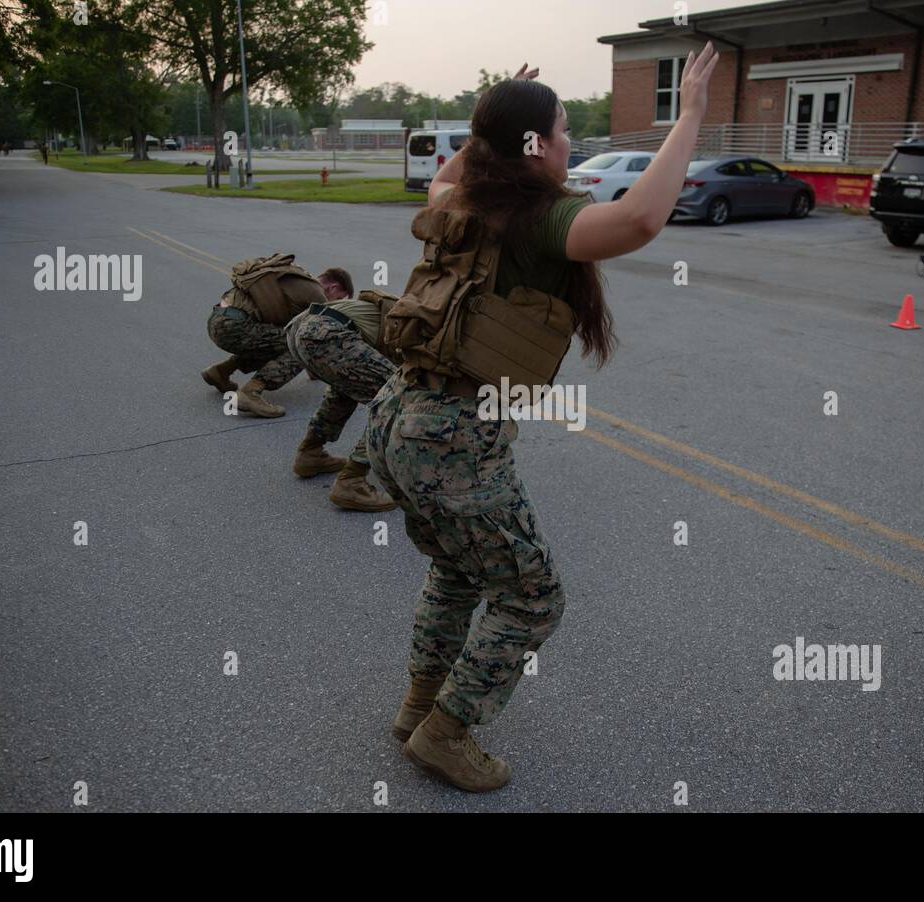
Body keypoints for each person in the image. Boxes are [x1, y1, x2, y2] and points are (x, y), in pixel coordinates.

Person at [365, 44, 720, 792]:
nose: (569, 142)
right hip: (454, 436)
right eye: (561, 129)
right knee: (532, 596)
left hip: (398, 418)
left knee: (458, 571)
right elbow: (641, 220)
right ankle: (447, 732)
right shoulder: (538, 218)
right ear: (536, 145)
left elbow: (446, 172)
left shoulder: (457, 203)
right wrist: (688, 114)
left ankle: (417, 707)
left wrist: (490, 130)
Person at [285, 291, 399, 512]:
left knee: (347, 387)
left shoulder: (411, 308)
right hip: (327, 333)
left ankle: (310, 453)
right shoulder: (430, 331)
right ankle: (352, 481)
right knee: (399, 396)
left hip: (301, 326)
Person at [200, 257, 353, 417]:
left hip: (219, 321)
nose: (337, 303)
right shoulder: (317, 295)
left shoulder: (297, 279)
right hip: (235, 327)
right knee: (303, 342)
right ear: (334, 287)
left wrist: (311, 368)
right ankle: (251, 392)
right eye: (340, 298)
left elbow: (294, 329)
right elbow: (319, 340)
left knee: (278, 339)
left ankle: (221, 371)